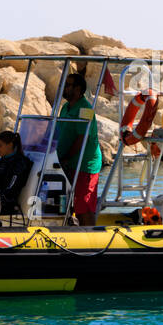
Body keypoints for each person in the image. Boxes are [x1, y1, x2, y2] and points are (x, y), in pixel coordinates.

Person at [55, 73, 103, 225]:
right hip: (66, 162)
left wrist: (66, 158)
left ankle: (90, 240)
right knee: (65, 201)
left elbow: (82, 139)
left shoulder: (85, 110)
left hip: (84, 165)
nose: (64, 88)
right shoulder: (65, 108)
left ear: (78, 89)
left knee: (83, 205)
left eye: (68, 85)